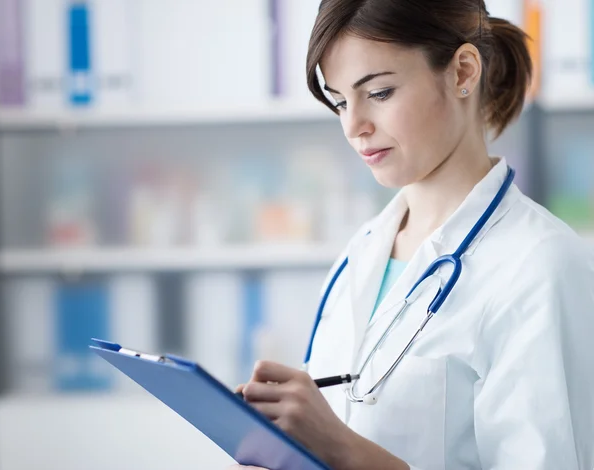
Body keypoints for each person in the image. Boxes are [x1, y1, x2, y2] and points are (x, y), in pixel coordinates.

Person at [230, 0, 594, 468]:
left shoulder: (542, 267)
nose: (353, 126)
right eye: (340, 101)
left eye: (379, 92)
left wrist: (341, 449)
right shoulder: (362, 249)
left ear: (463, 71)